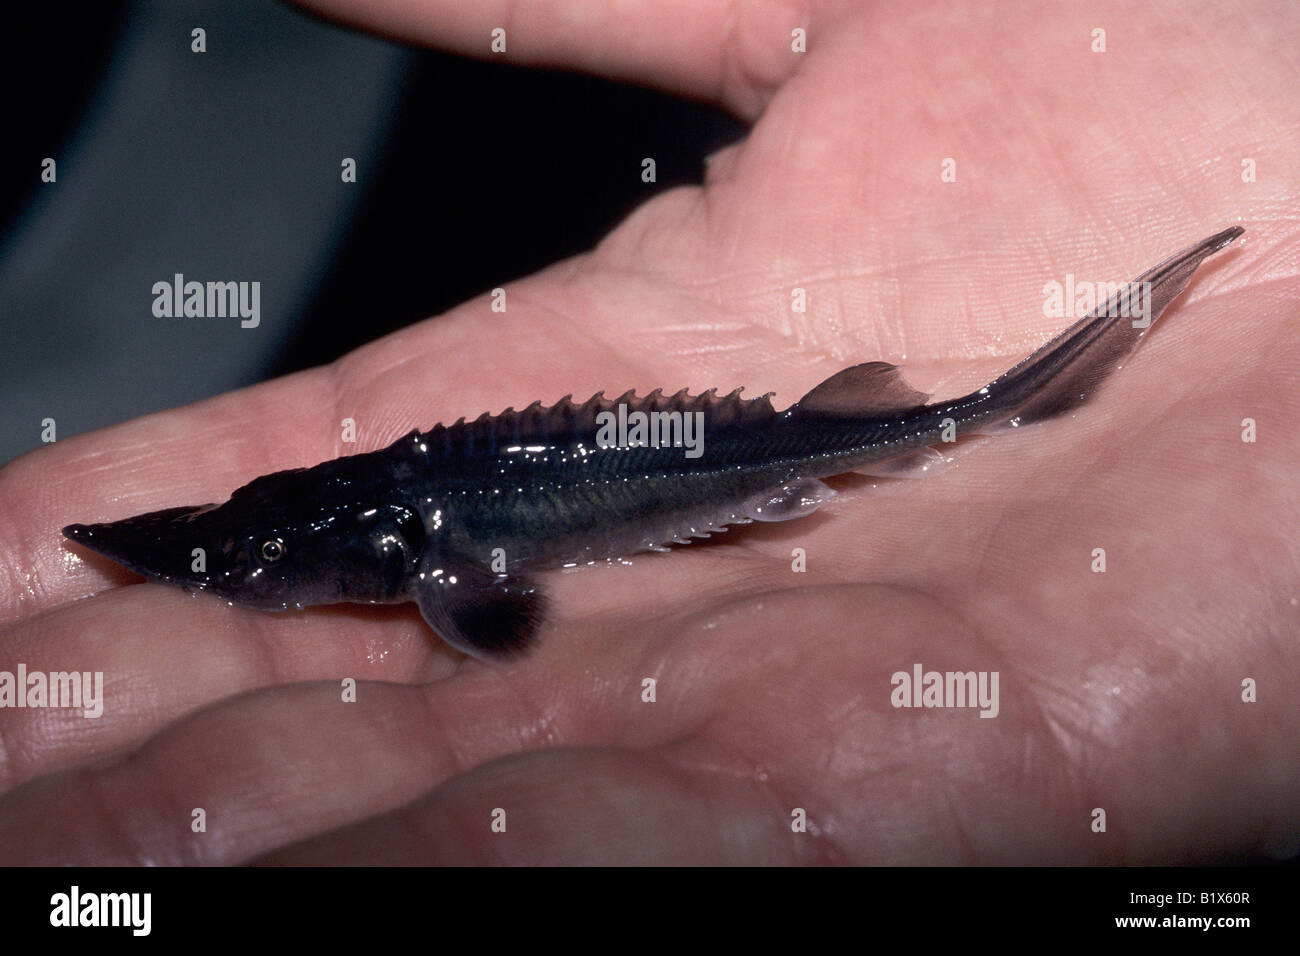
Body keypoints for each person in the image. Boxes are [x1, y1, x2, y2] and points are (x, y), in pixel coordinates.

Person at [0, 0, 1294, 864]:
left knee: (934, 423)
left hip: (707, 451)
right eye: (235, 561)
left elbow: (492, 619)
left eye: (241, 565)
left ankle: (1018, 399)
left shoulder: (434, 545)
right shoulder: (405, 516)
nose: (233, 574)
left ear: (367, 543)